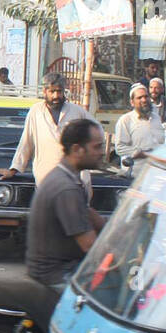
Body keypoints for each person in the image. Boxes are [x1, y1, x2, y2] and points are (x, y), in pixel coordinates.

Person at [25, 119, 107, 290]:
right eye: (97, 147)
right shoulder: (66, 188)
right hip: (57, 275)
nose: (102, 152)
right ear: (77, 149)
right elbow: (90, 245)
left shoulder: (65, 177)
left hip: (60, 269)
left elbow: (90, 215)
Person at [0, 73, 96, 185]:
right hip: (45, 178)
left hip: (75, 180)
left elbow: (96, 132)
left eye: (59, 91)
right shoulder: (36, 112)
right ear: (44, 91)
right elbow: (26, 142)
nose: (56, 96)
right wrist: (14, 169)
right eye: (52, 91)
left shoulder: (77, 112)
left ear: (64, 91)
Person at [114, 83, 166, 174]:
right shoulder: (126, 120)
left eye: (146, 96)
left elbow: (161, 142)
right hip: (135, 174)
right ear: (132, 102)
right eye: (139, 98)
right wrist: (138, 153)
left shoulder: (156, 118)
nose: (144, 100)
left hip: (155, 171)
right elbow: (119, 147)